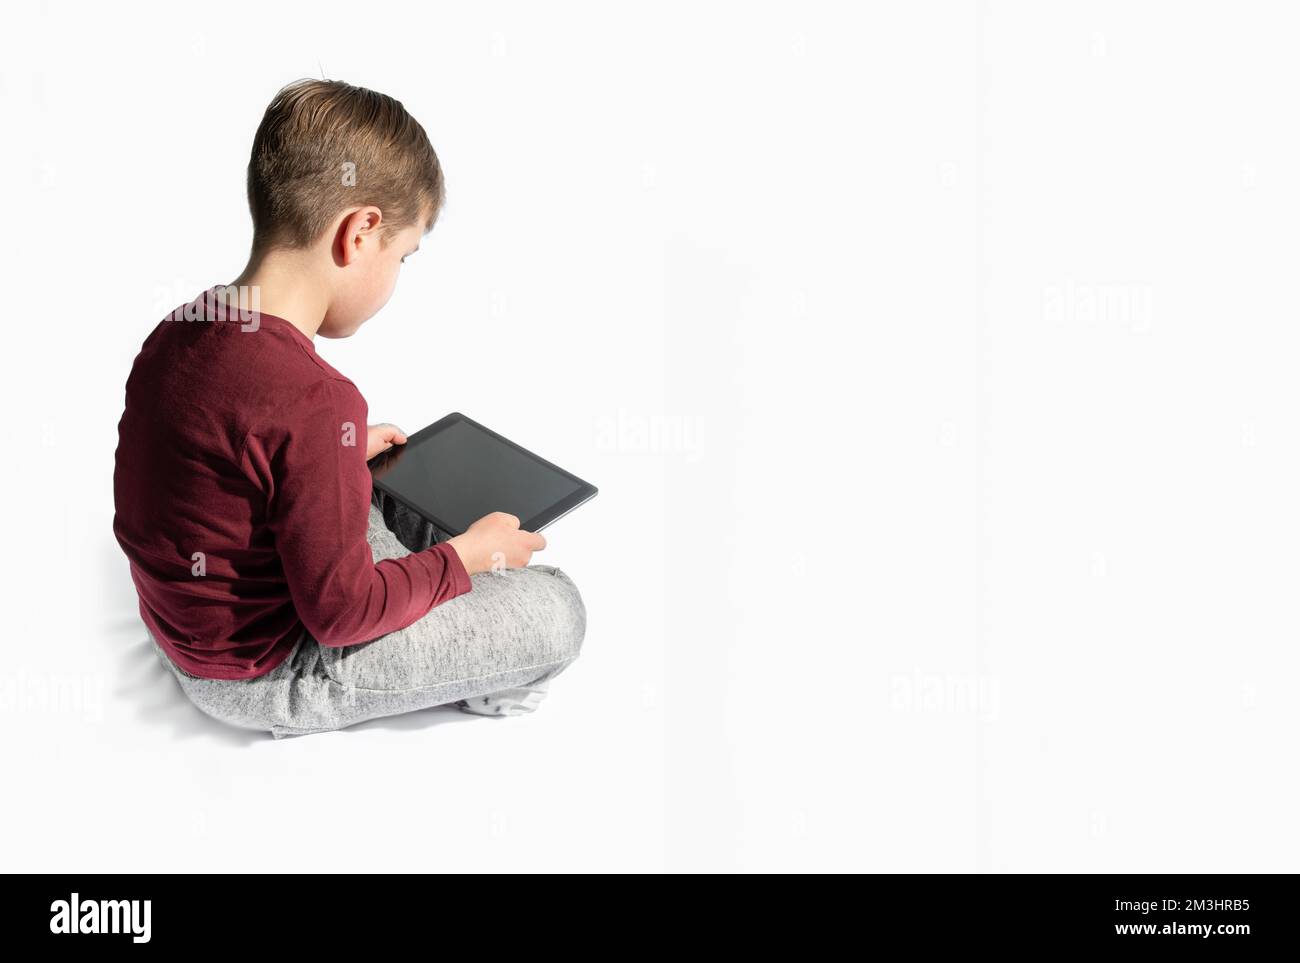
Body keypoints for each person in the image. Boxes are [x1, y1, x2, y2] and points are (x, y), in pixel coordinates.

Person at [112, 79, 586, 739]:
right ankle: (479, 667)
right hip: (269, 670)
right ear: (360, 233)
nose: (397, 275)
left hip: (183, 625)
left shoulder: (181, 327)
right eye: (402, 255)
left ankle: (440, 556)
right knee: (560, 606)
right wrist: (468, 559)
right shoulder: (315, 398)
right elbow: (339, 614)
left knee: (387, 480)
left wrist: (326, 456)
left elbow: (220, 444)